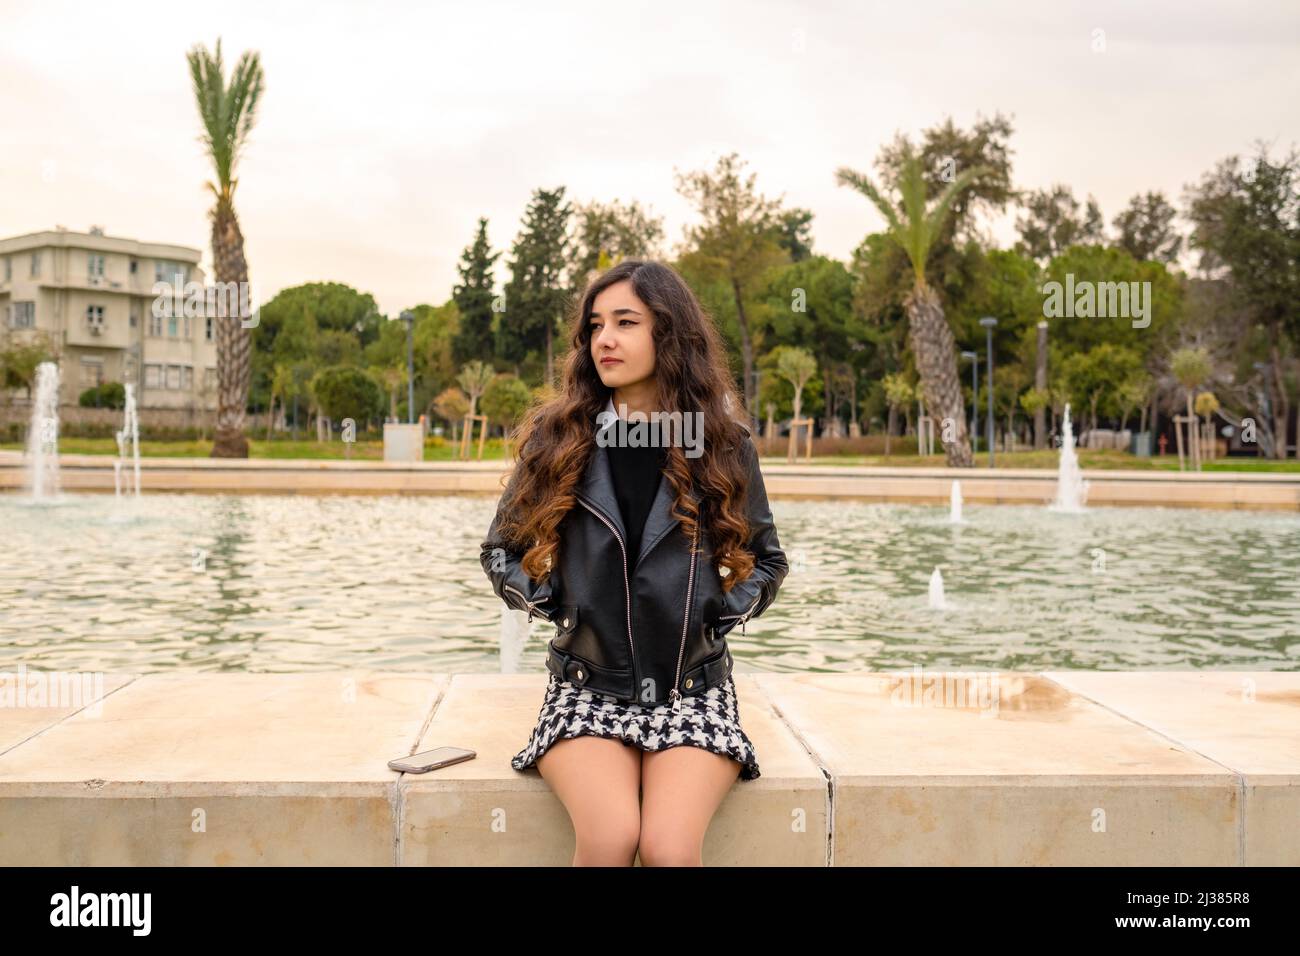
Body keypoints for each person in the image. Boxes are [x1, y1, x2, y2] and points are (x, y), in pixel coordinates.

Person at [480, 258, 789, 866]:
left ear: (667, 334)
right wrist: (552, 602)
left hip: (693, 689)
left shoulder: (722, 443)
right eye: (596, 325)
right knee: (610, 837)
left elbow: (767, 560)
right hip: (585, 686)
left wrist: (715, 615)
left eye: (626, 322)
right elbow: (499, 550)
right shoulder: (558, 435)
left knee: (669, 849)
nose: (605, 339)